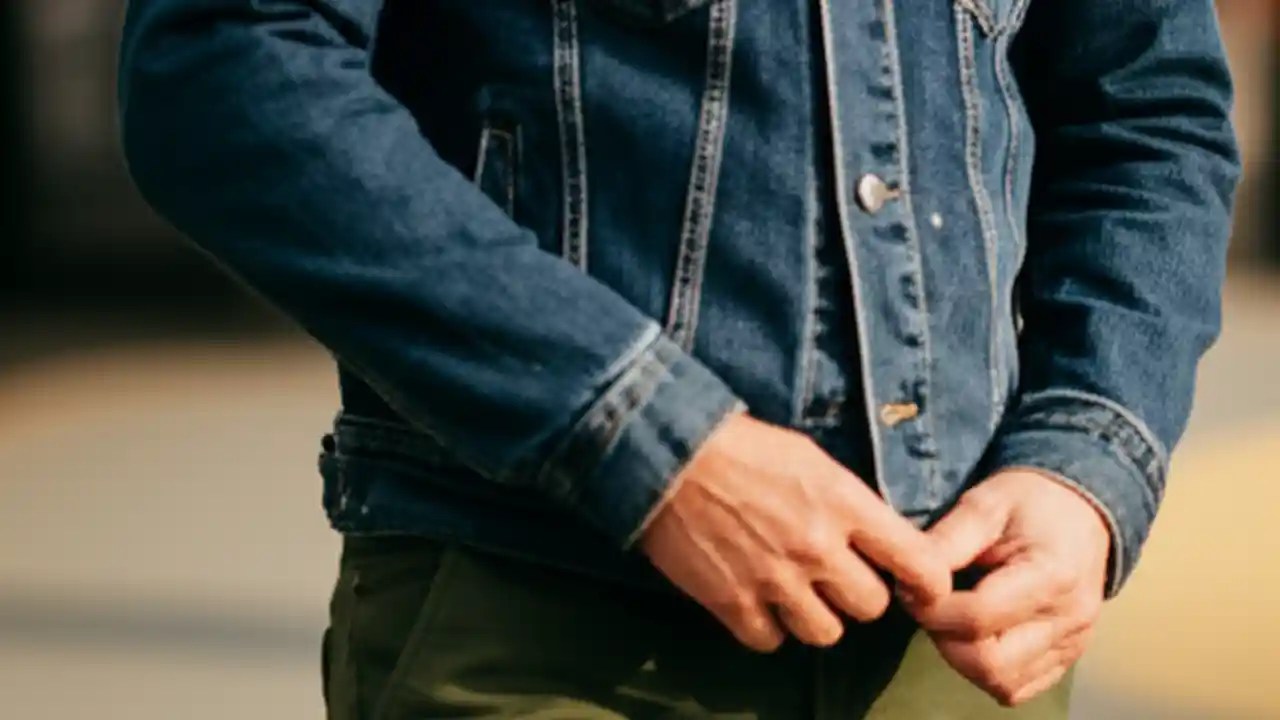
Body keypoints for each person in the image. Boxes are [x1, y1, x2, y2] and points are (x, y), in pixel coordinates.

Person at [117, 1, 1239, 717]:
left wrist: (1083, 461)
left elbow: (1145, 111)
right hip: (546, 623)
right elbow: (228, 68)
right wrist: (642, 435)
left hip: (955, 655)